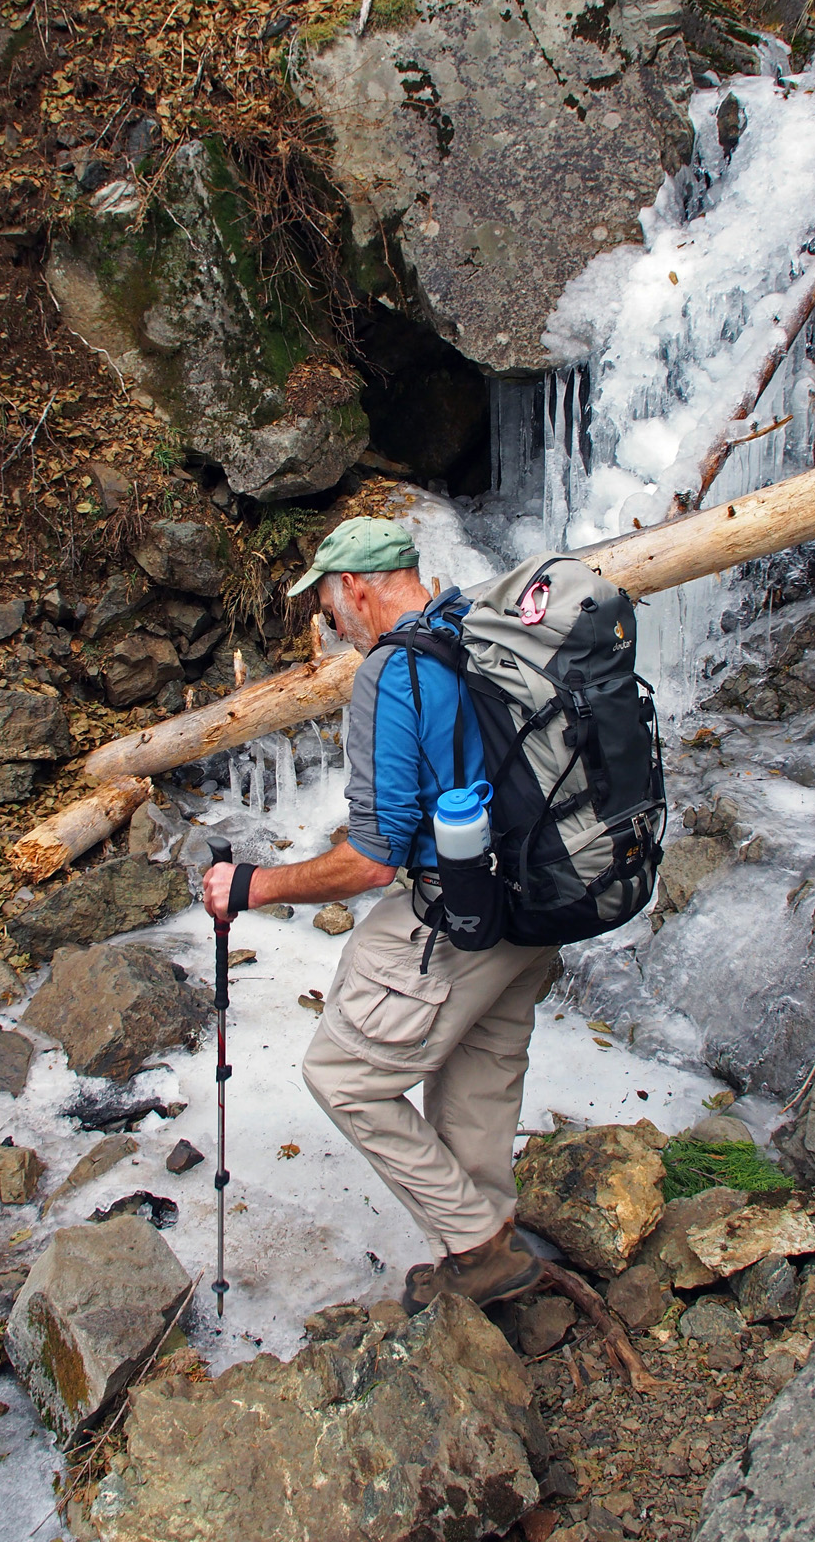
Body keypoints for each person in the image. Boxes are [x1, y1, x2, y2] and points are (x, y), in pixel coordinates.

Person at [202, 516, 557, 1315]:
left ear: (354, 589)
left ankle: (470, 1241)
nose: (331, 627)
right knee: (478, 1068)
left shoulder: (393, 674)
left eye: (327, 609)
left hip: (461, 912)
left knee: (344, 1076)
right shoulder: (484, 625)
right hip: (537, 901)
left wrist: (252, 887)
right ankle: (490, 1261)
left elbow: (371, 860)